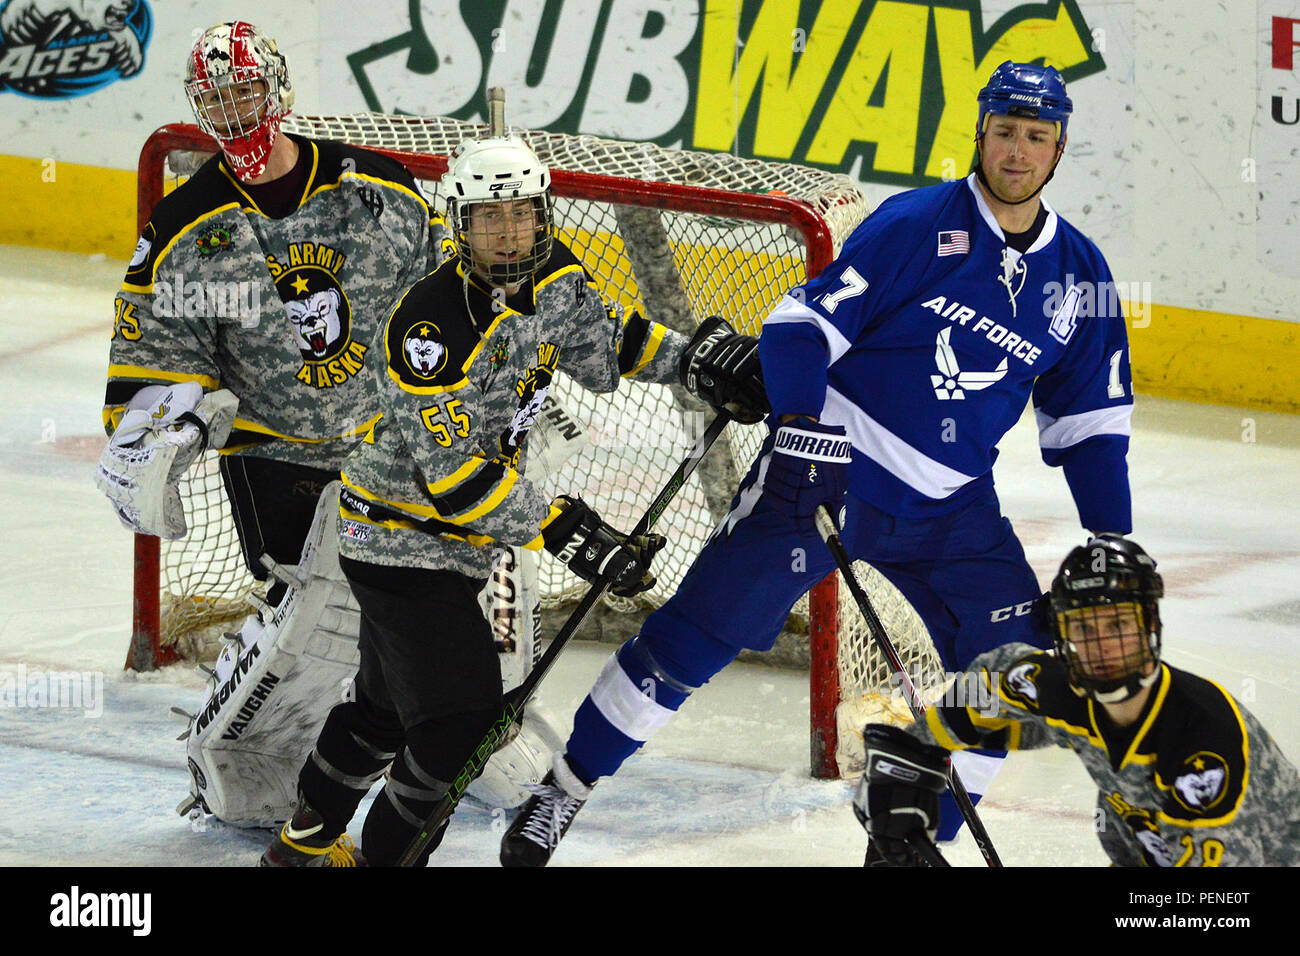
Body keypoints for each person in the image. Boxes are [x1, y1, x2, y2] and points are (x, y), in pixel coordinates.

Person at [500, 61, 1137, 866]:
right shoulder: (915, 225)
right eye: (1005, 131)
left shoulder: (1079, 273)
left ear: (1059, 148)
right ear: (980, 132)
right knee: (695, 636)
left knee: (1010, 677)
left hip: (953, 509)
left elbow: (1091, 424)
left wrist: (1115, 539)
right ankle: (563, 790)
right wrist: (802, 427)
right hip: (832, 475)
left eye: (1036, 137)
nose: (1017, 151)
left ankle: (910, 848)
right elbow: (799, 327)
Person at [258, 128, 770, 866]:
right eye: (487, 218)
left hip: (452, 546)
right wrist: (567, 530)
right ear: (459, 226)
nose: (507, 231)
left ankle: (298, 847)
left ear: (543, 215)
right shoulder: (429, 328)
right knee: (461, 726)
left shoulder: (556, 276)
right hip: (395, 540)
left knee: (384, 710)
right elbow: (455, 480)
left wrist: (694, 361)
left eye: (521, 213)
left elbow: (609, 344)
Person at [94, 21, 460, 827]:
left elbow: (445, 297)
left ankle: (425, 726)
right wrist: (169, 422)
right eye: (217, 98)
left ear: (277, 90)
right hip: (272, 450)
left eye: (246, 92)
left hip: (383, 442)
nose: (235, 110)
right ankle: (242, 745)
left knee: (414, 598)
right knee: (316, 615)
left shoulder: (382, 189)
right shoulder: (188, 224)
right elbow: (156, 341)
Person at [855, 537, 1300, 867]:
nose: (1101, 646)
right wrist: (917, 749)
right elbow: (998, 675)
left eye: (1117, 626)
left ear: (1150, 627)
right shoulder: (1070, 692)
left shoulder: (1202, 741)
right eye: (1084, 629)